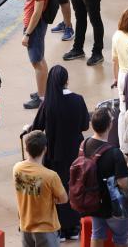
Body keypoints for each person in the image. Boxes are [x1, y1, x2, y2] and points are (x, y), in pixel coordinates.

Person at [31, 65, 89, 240]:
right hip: (75, 153)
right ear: (66, 80)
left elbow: (37, 127)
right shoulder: (78, 100)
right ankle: (73, 227)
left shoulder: (48, 102)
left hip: (54, 155)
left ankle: (60, 228)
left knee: (57, 189)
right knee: (75, 187)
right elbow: (85, 125)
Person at [85, 106, 128, 247]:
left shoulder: (84, 144)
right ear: (110, 125)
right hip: (113, 205)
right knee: (121, 239)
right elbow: (123, 183)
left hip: (93, 199)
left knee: (97, 234)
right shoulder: (114, 153)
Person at [14, 131, 69, 247]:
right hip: (46, 230)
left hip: (25, 226)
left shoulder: (17, 169)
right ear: (45, 149)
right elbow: (64, 199)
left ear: (26, 148)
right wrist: (52, 199)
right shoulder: (50, 176)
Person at [15, 0, 51, 108]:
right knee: (40, 59)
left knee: (36, 63)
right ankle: (44, 90)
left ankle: (41, 98)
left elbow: (37, 12)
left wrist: (27, 34)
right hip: (32, 26)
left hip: (34, 27)